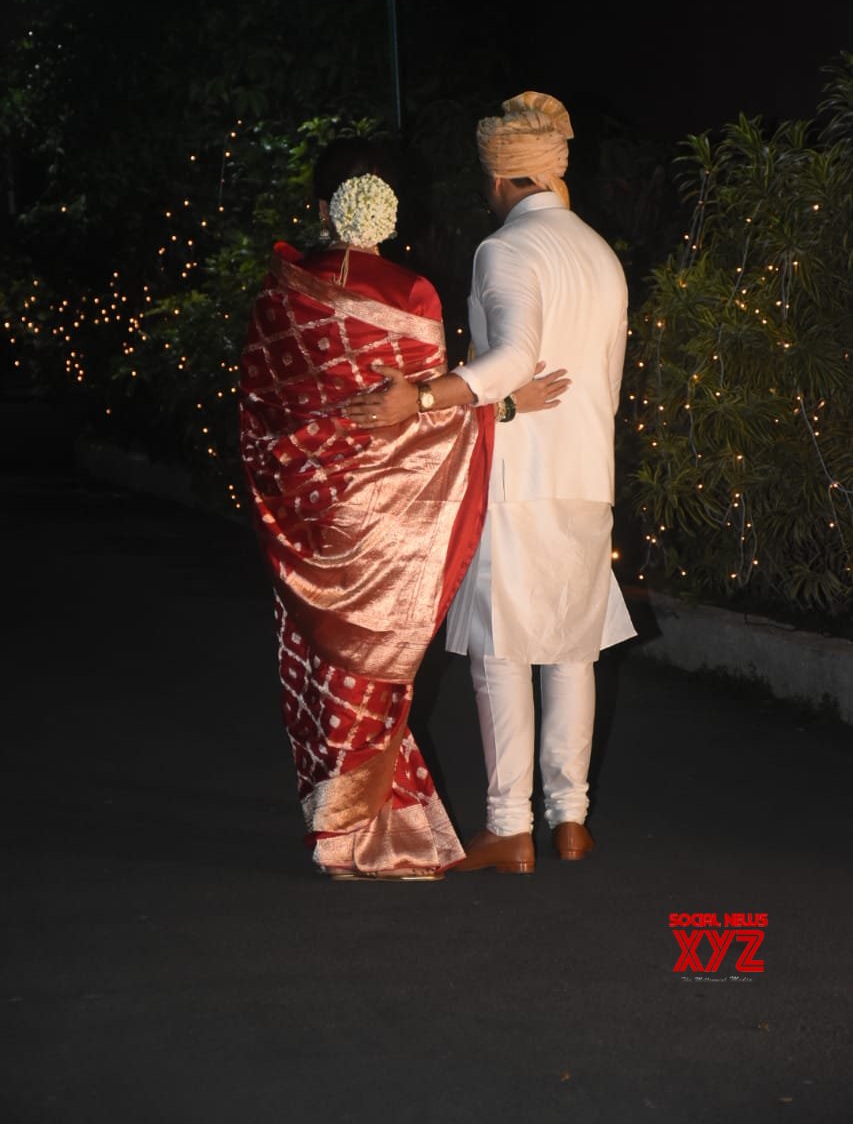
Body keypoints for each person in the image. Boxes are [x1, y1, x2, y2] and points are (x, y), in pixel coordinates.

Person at [239, 136, 568, 881]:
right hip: (382, 524)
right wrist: (505, 404)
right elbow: (425, 415)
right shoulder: (413, 294)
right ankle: (357, 828)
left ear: (323, 208)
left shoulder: (281, 293)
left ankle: (335, 819)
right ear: (389, 212)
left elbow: (261, 414)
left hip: (306, 513)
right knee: (372, 676)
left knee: (319, 664)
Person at [346, 93, 636, 875]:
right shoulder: (598, 254)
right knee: (571, 652)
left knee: (502, 653)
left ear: (504, 179)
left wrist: (424, 394)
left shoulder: (505, 249)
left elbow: (513, 358)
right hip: (585, 477)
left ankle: (509, 828)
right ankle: (569, 819)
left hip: (518, 476)